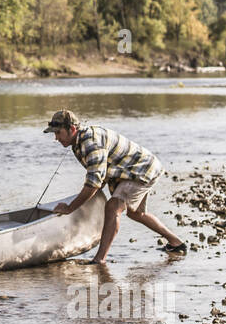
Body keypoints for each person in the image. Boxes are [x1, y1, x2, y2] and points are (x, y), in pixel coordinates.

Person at [44, 108, 186, 264]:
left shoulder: (90, 143)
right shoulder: (78, 143)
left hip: (141, 170)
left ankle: (100, 259)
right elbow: (100, 174)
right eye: (54, 134)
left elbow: (93, 183)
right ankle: (176, 243)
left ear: (72, 129)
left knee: (113, 207)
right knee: (136, 213)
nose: (56, 138)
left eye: (58, 133)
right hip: (143, 168)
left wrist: (70, 208)